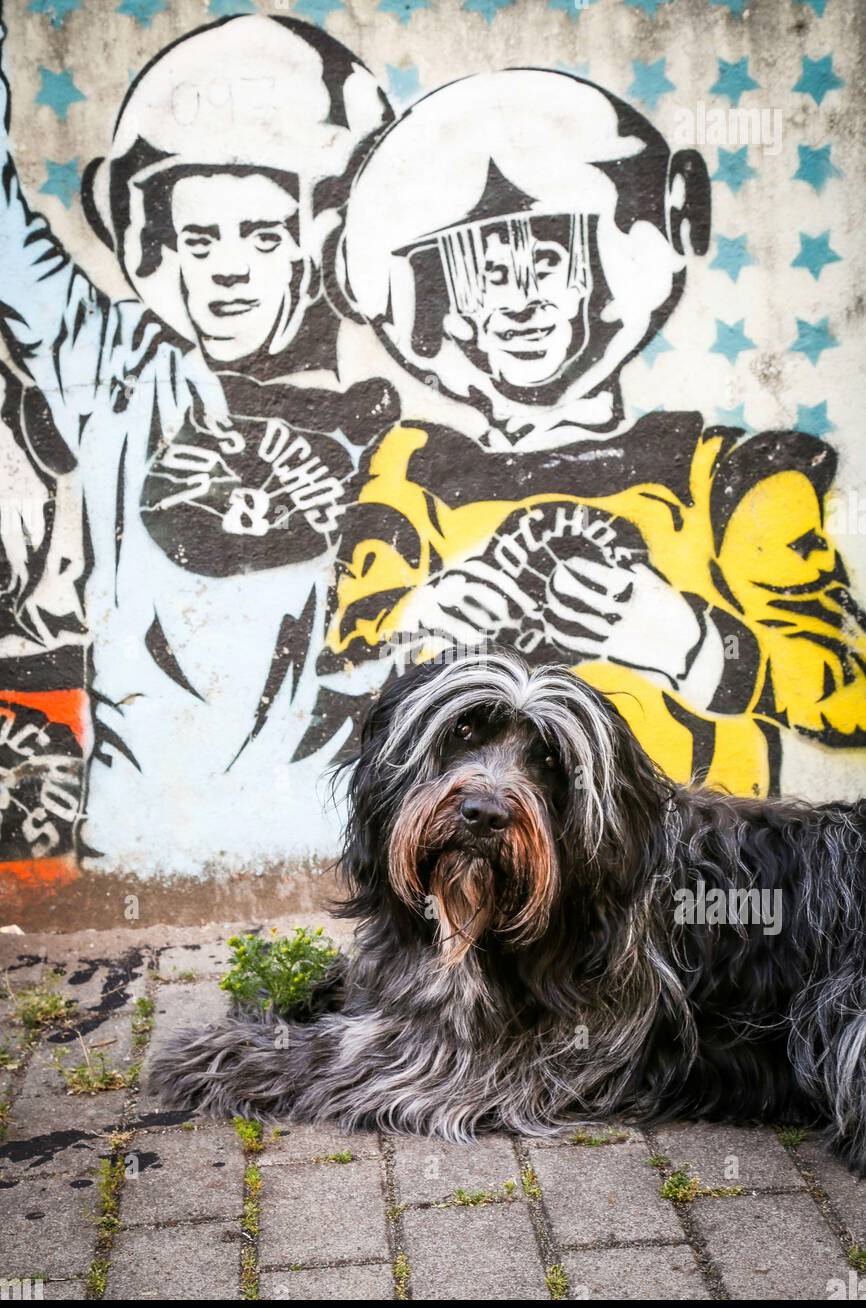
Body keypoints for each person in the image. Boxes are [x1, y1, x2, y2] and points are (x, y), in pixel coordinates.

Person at [300, 70, 866, 795]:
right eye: (482, 276)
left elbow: (845, 691)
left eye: (549, 262)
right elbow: (336, 674)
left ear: (609, 263)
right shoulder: (412, 477)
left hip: (693, 862)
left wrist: (692, 644)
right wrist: (419, 625)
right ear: (435, 297)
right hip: (494, 862)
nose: (520, 304)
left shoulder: (727, 479)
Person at [0, 15, 396, 874]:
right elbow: (15, 255)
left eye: (260, 235)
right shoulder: (121, 372)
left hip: (336, 864)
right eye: (199, 236)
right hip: (136, 840)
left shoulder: (389, 418)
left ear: (322, 242)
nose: (224, 268)